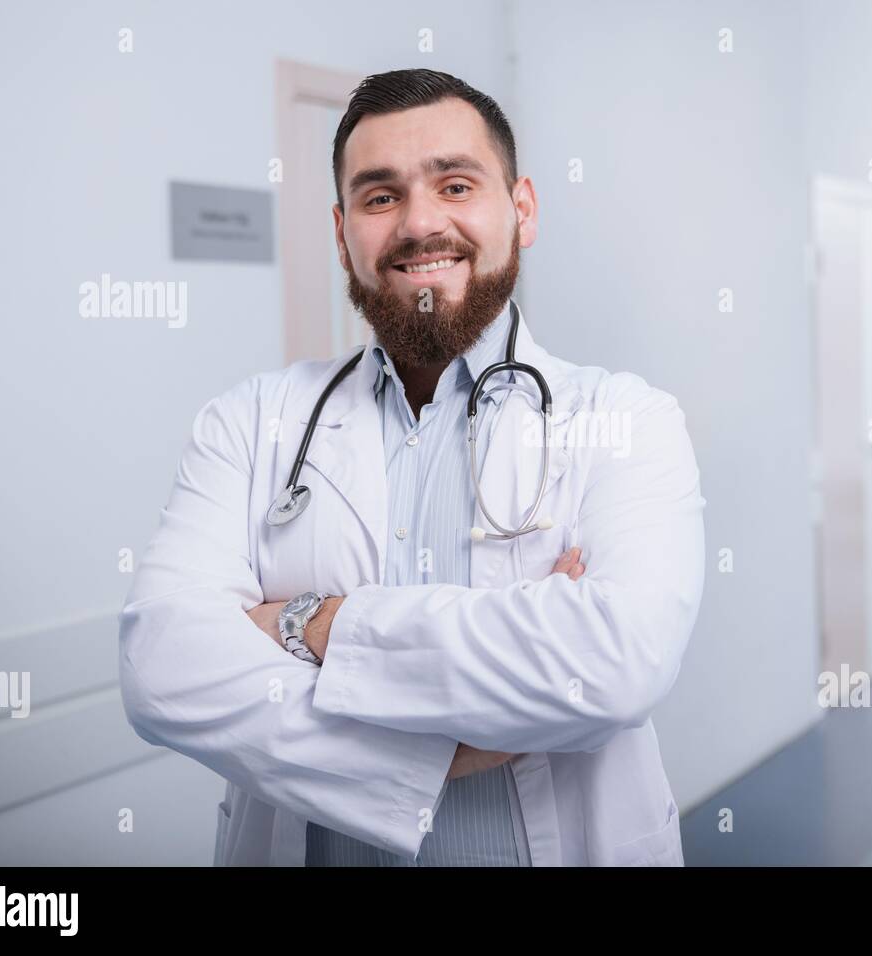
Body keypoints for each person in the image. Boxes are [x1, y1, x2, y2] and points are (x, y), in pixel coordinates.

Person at [118, 68, 706, 866]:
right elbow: (164, 668)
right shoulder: (250, 423)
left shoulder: (626, 419)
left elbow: (615, 664)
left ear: (521, 209)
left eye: (456, 184)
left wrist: (307, 624)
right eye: (380, 196)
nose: (420, 223)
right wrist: (435, 759)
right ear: (341, 232)